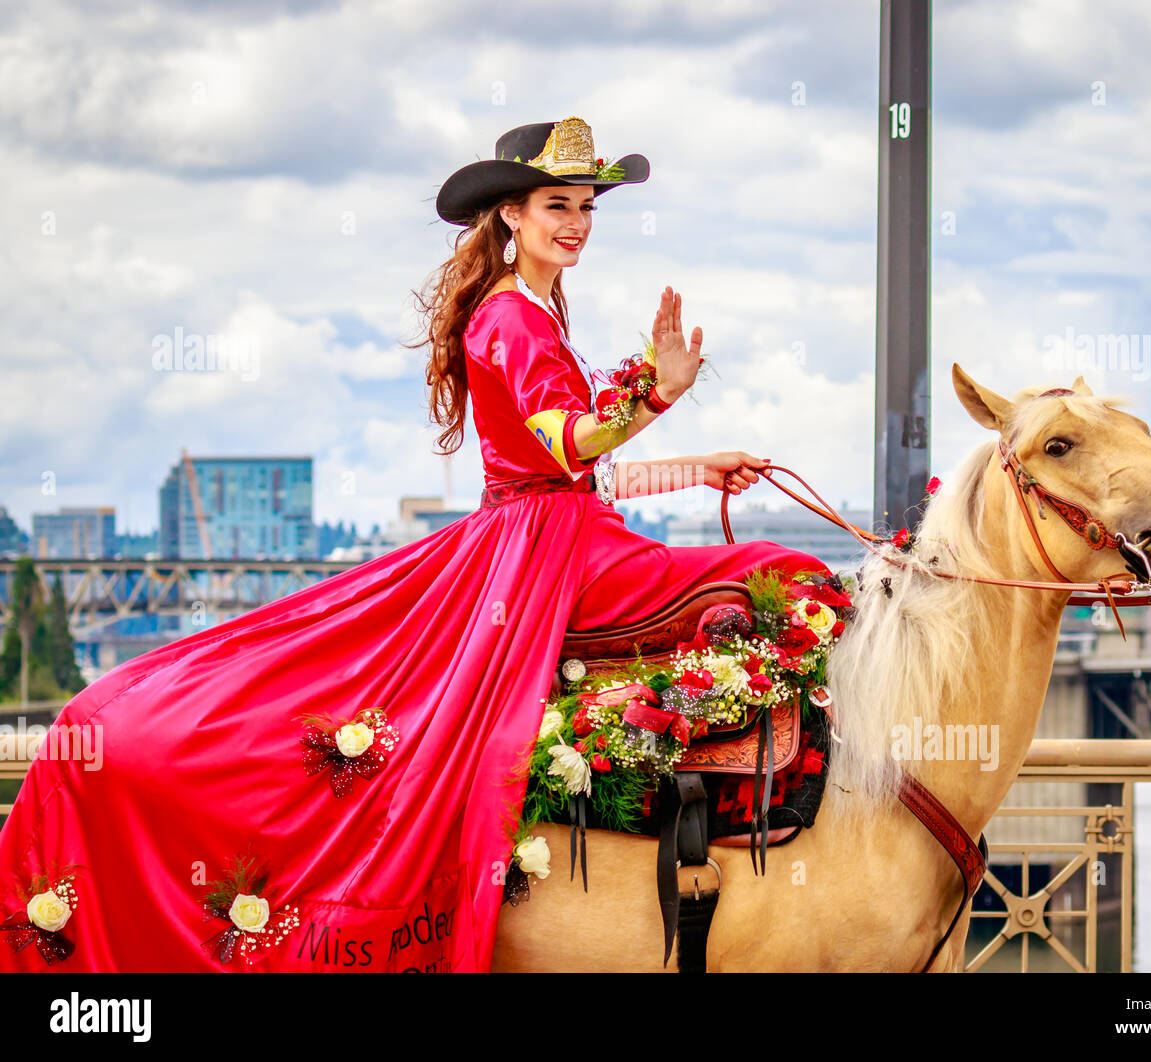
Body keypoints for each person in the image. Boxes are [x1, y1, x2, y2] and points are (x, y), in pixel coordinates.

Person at [0, 116, 829, 973]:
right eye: (558, 204)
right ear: (511, 213)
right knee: (783, 572)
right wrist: (659, 397)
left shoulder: (532, 312)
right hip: (546, 557)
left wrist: (698, 468)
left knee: (765, 575)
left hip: (555, 535)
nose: (577, 222)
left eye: (586, 206)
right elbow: (564, 443)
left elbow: (576, 478)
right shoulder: (512, 319)